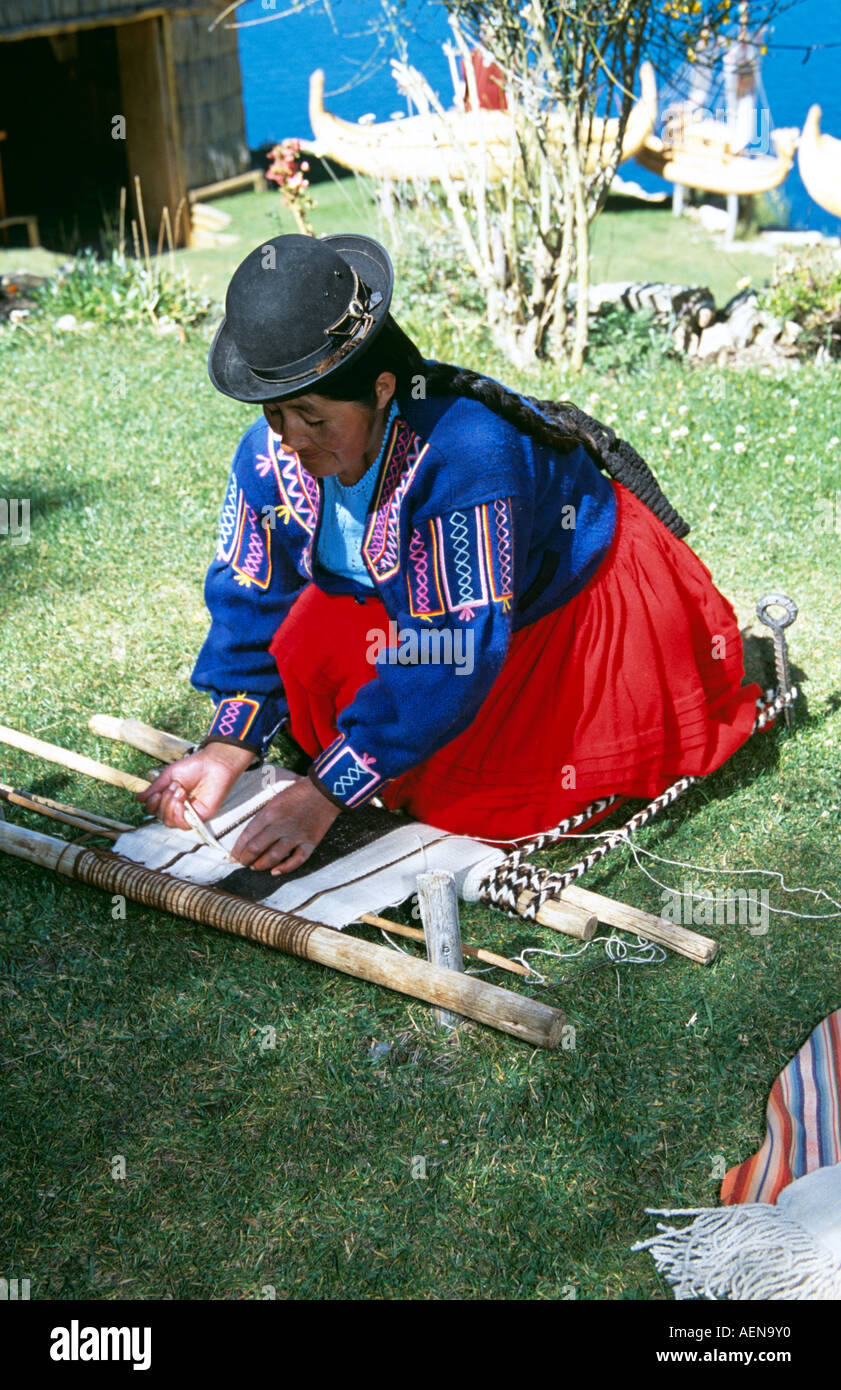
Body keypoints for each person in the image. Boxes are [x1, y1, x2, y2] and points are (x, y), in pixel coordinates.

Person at [139, 232, 763, 875]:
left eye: (313, 418)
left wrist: (323, 793)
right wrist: (225, 746)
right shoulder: (269, 455)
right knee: (306, 662)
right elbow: (250, 593)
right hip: (415, 600)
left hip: (561, 602)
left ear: (381, 389)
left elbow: (456, 647)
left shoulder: (467, 456)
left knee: (469, 802)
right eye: (275, 414)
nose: (292, 439)